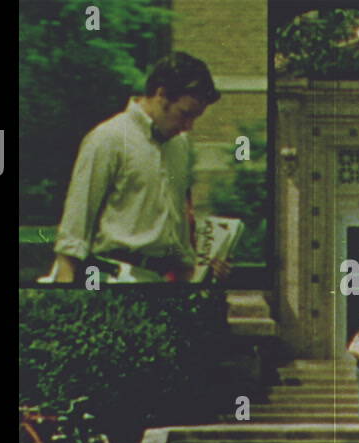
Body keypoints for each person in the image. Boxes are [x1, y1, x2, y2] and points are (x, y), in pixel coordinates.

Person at [51, 51, 231, 283]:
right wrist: (64, 292)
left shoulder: (180, 145)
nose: (188, 126)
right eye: (184, 114)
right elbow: (76, 224)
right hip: (112, 279)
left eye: (195, 118)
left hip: (162, 283)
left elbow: (180, 231)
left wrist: (195, 279)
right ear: (161, 94)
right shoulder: (109, 138)